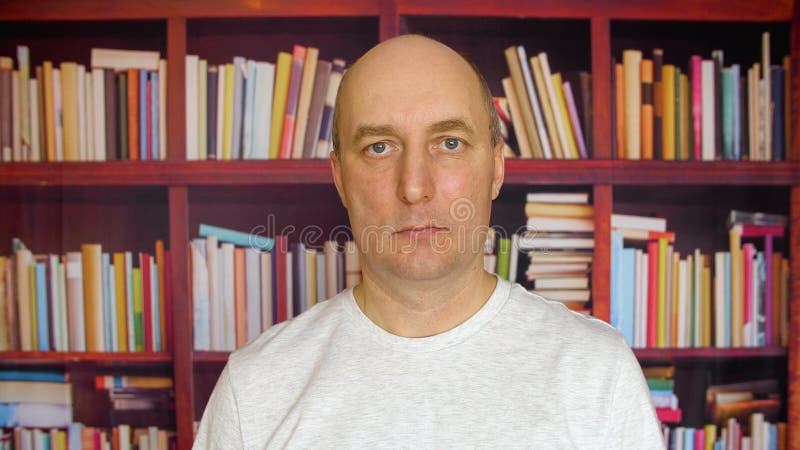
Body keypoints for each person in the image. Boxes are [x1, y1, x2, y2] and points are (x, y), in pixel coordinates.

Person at [194, 34, 664, 449]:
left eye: (450, 143)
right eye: (379, 147)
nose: (415, 187)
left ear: (496, 167)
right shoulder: (253, 388)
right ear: (339, 178)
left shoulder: (597, 373)